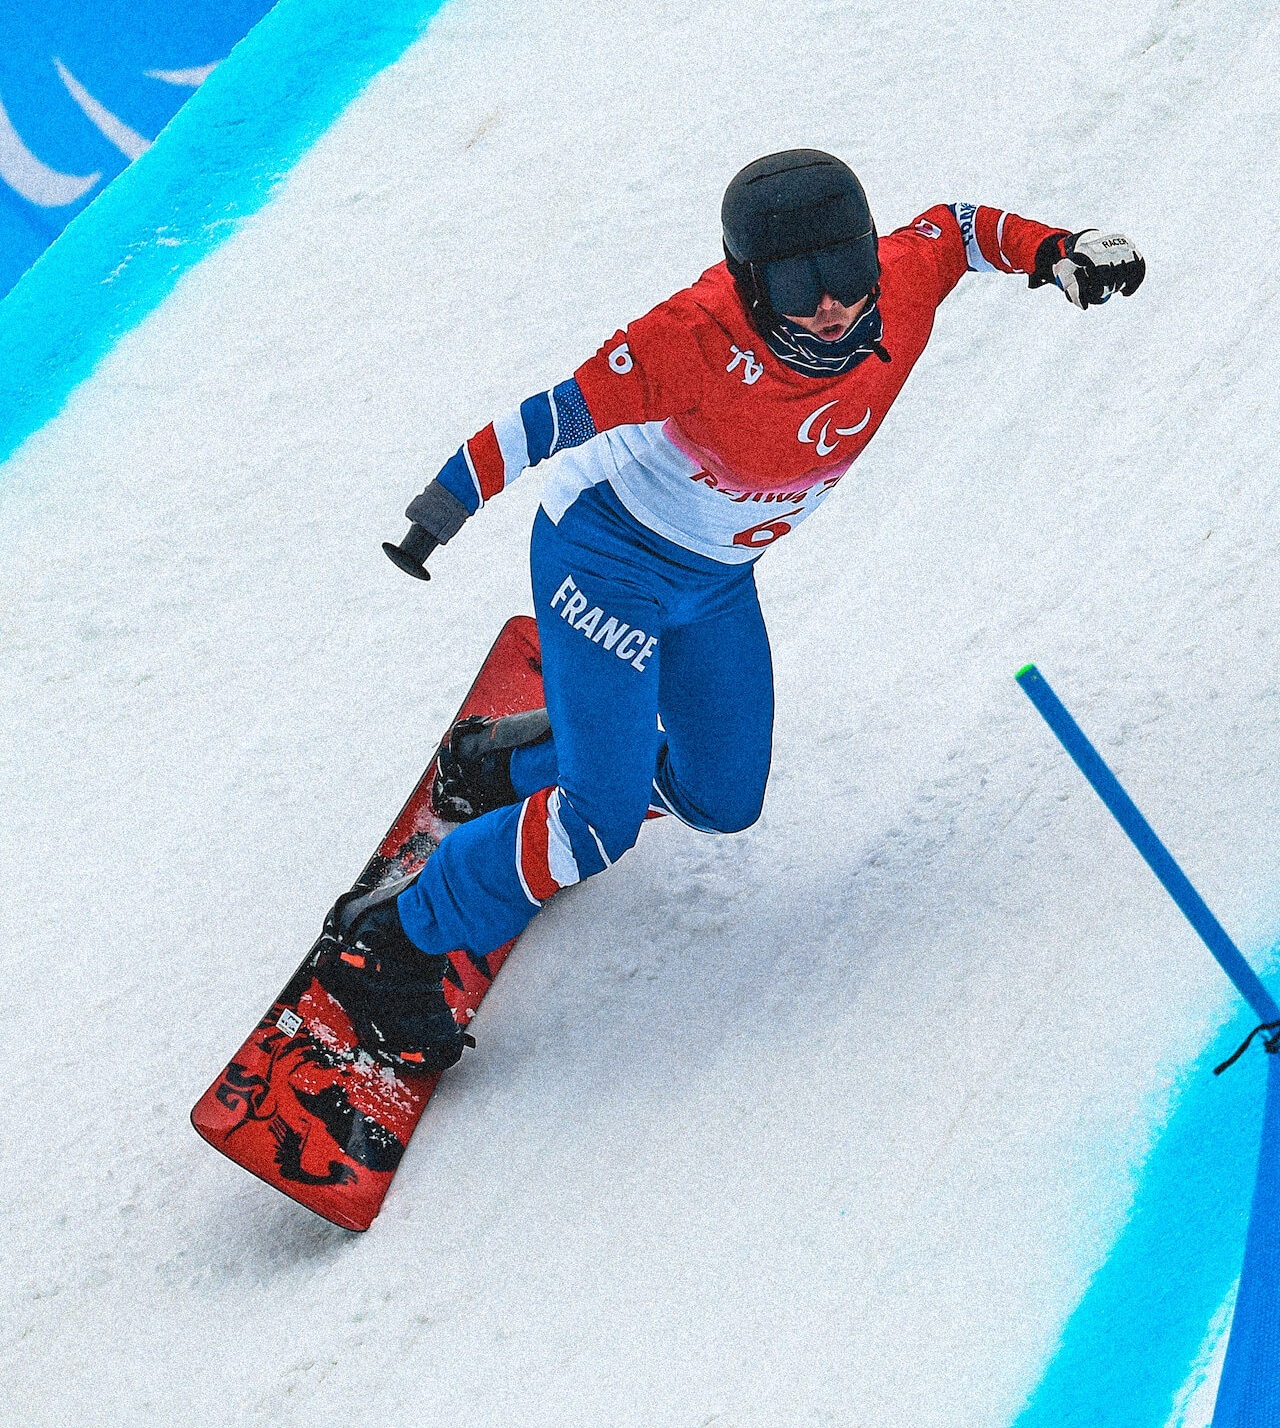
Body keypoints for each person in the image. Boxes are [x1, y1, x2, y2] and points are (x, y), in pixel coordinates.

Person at [321, 150, 1145, 1070]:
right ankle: (393, 939)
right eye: (797, 284)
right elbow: (547, 419)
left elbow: (955, 230)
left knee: (724, 798)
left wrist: (1057, 249)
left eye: (845, 270)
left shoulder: (898, 285)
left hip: (713, 580)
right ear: (750, 285)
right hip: (602, 565)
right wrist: (441, 510)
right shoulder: (692, 337)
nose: (832, 305)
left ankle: (510, 766)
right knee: (600, 824)